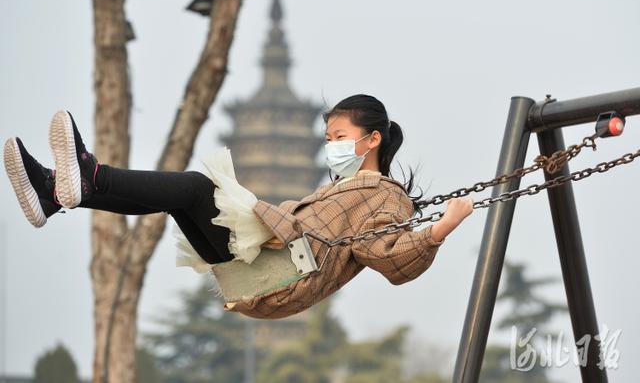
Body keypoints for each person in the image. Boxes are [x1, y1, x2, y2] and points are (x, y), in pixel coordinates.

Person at [3, 94, 473, 319]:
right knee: (181, 202)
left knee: (191, 188)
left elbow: (389, 257)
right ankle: (58, 192)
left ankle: (91, 176)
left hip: (284, 274)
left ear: (372, 141)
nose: (330, 147)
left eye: (340, 138)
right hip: (263, 269)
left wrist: (441, 229)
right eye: (328, 138)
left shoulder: (385, 195)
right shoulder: (342, 189)